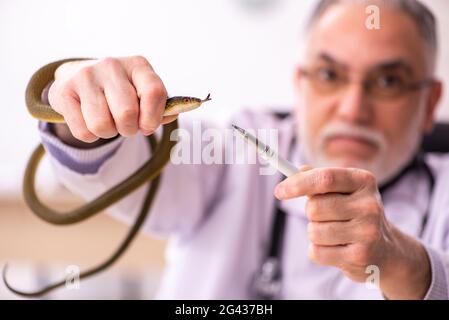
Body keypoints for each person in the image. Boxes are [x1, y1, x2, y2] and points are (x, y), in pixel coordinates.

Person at [36, 0, 448, 299]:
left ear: (430, 103)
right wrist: (80, 104)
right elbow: (121, 164)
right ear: (300, 83)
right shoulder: (238, 148)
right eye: (329, 74)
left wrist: (399, 261)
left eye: (389, 82)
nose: (353, 108)